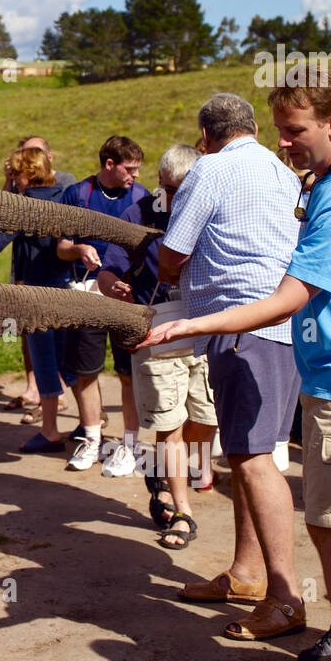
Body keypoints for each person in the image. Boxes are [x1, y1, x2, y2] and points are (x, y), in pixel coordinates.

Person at [143, 83, 331, 661]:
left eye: (295, 132)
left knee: (323, 515)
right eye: (281, 132)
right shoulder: (323, 177)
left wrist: (198, 320)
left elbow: (285, 296)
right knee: (312, 506)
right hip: (325, 363)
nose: (285, 145)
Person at [155, 93, 304, 641]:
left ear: (205, 137)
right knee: (249, 454)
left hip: (242, 328)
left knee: (254, 459)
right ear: (256, 127)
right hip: (283, 325)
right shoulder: (281, 168)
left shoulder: (211, 170)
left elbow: (172, 253)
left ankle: (285, 599)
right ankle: (246, 573)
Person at [98, 144, 217, 547]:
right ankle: (180, 511)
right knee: (169, 425)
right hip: (157, 329)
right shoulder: (140, 214)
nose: (171, 197)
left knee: (205, 418)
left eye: (181, 188)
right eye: (167, 188)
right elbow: (108, 266)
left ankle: (166, 475)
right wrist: (112, 285)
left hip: (205, 327)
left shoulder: (214, 206)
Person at [0, 147, 82, 453]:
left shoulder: (26, 203)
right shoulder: (67, 195)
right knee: (72, 361)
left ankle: (51, 431)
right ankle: (88, 425)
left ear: (27, 173)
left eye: (16, 173)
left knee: (44, 363)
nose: (13, 179)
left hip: (36, 293)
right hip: (68, 288)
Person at [59, 136, 149, 476]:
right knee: (86, 371)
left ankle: (129, 444)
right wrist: (79, 250)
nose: (136, 176)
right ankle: (93, 438)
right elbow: (61, 247)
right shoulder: (78, 194)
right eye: (130, 168)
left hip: (127, 295)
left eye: (138, 169)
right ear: (109, 164)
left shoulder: (142, 198)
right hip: (87, 292)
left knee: (129, 372)